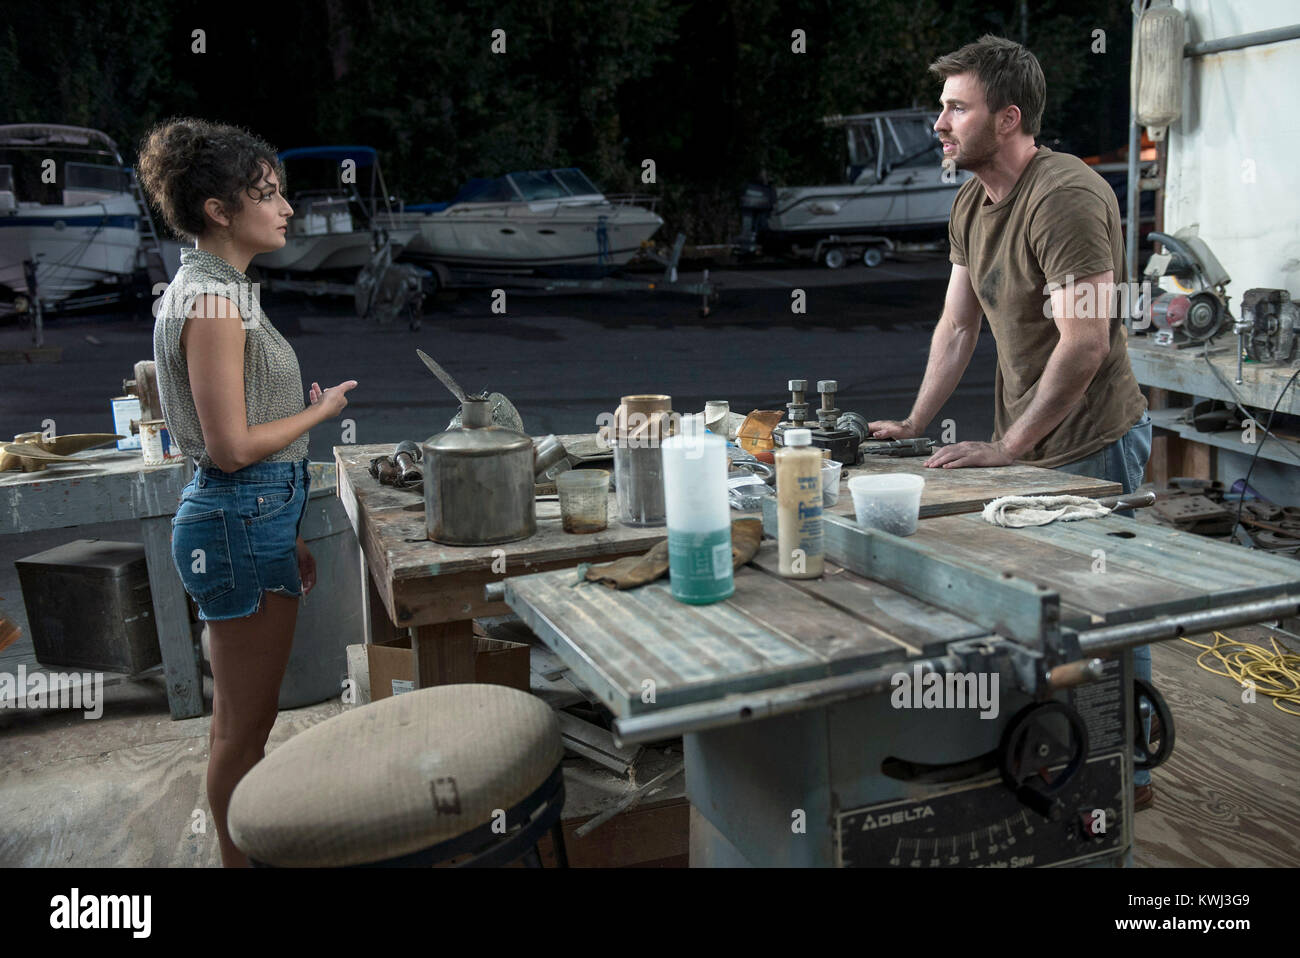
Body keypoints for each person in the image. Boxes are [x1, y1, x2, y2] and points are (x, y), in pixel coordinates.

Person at [866, 36, 1156, 810]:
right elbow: (957, 327)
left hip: (1094, 439)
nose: (940, 122)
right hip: (1032, 441)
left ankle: (1131, 776)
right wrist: (915, 423)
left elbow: (1087, 342)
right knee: (1045, 610)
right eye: (942, 107)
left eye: (957, 107)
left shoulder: (1068, 197)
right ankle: (1059, 749)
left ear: (1009, 118)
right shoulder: (972, 201)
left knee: (1103, 610)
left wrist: (1008, 447)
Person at [139, 118, 358, 865]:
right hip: (236, 517)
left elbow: (239, 449)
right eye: (268, 195)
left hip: (252, 516)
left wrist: (286, 520)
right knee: (242, 726)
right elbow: (229, 448)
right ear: (218, 211)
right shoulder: (211, 301)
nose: (287, 210)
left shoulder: (222, 289)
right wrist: (321, 414)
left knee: (244, 719)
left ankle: (248, 856)